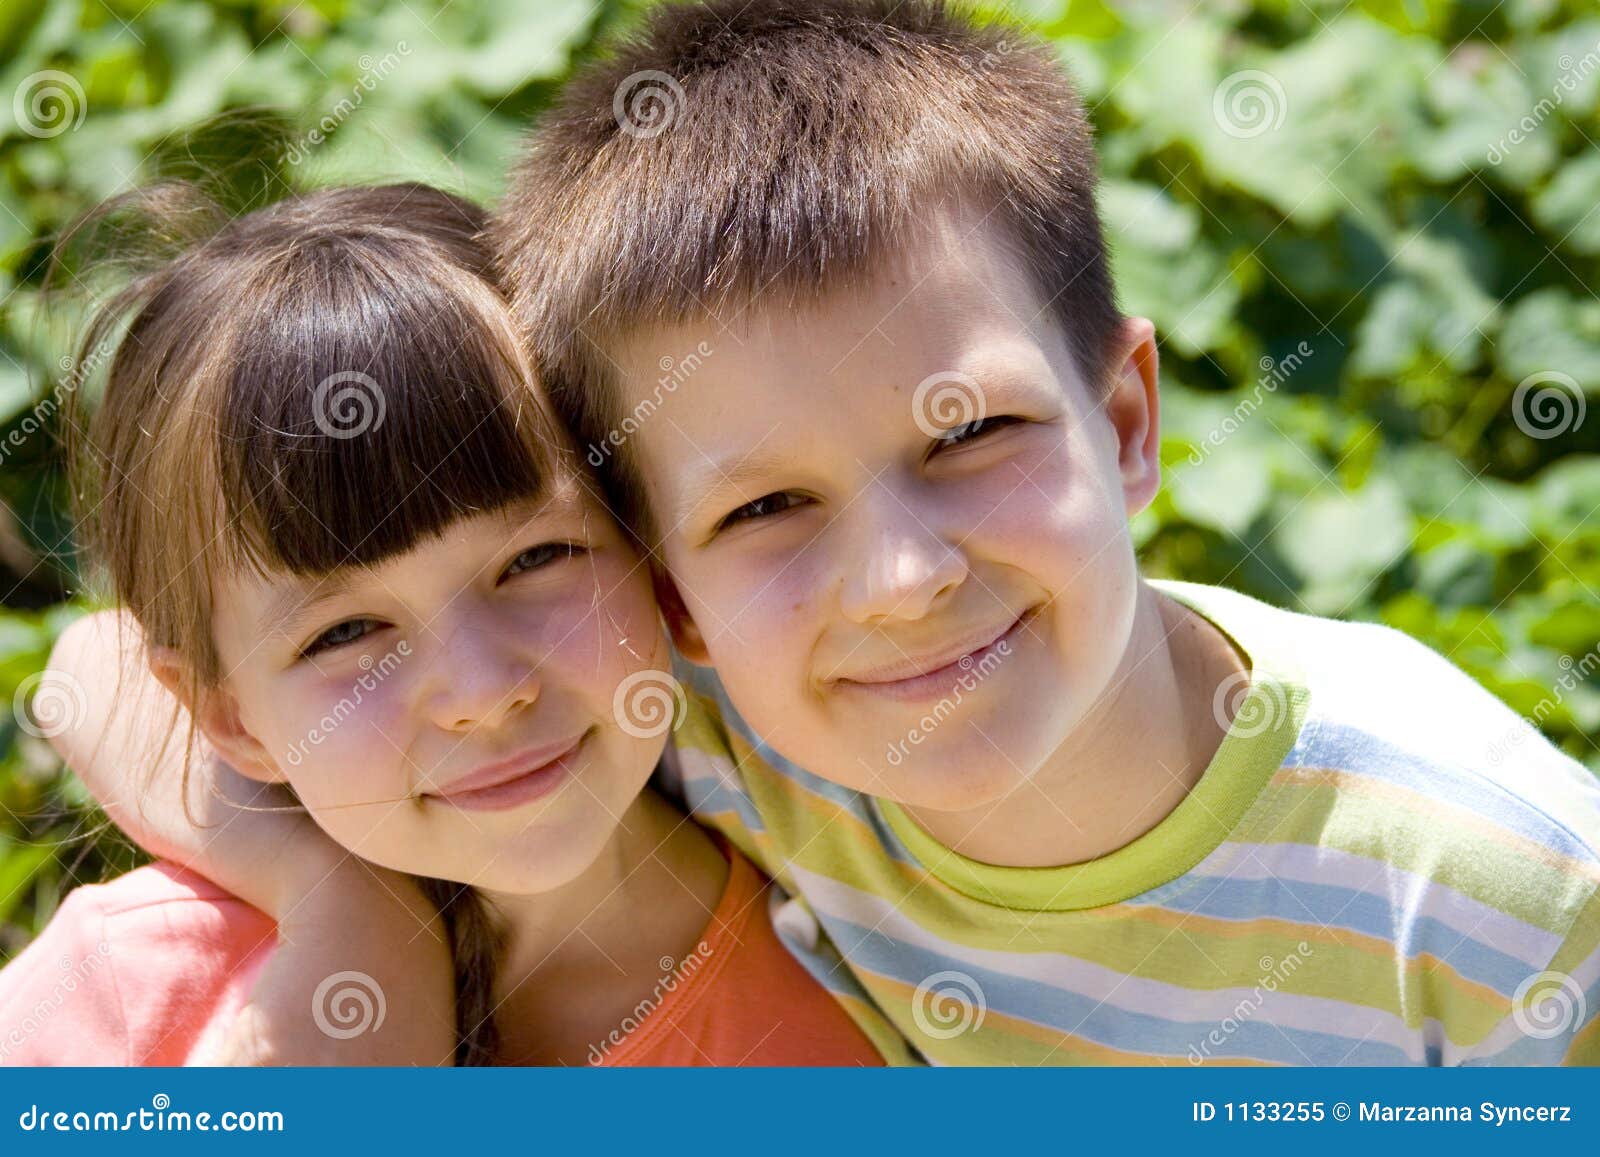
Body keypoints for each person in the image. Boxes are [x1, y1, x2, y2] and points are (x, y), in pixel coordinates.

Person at [44, 0, 1600, 1065]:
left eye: (971, 436)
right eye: (768, 506)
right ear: (675, 583)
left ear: (1128, 419)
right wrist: (343, 920)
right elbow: (114, 668)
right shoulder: (684, 715)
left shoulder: (1495, 882)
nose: (905, 582)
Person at [0, 182, 891, 1068]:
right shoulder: (125, 998)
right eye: (342, 634)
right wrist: (353, 916)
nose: (484, 690)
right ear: (227, 716)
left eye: (534, 559)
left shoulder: (839, 983)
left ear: (647, 545)